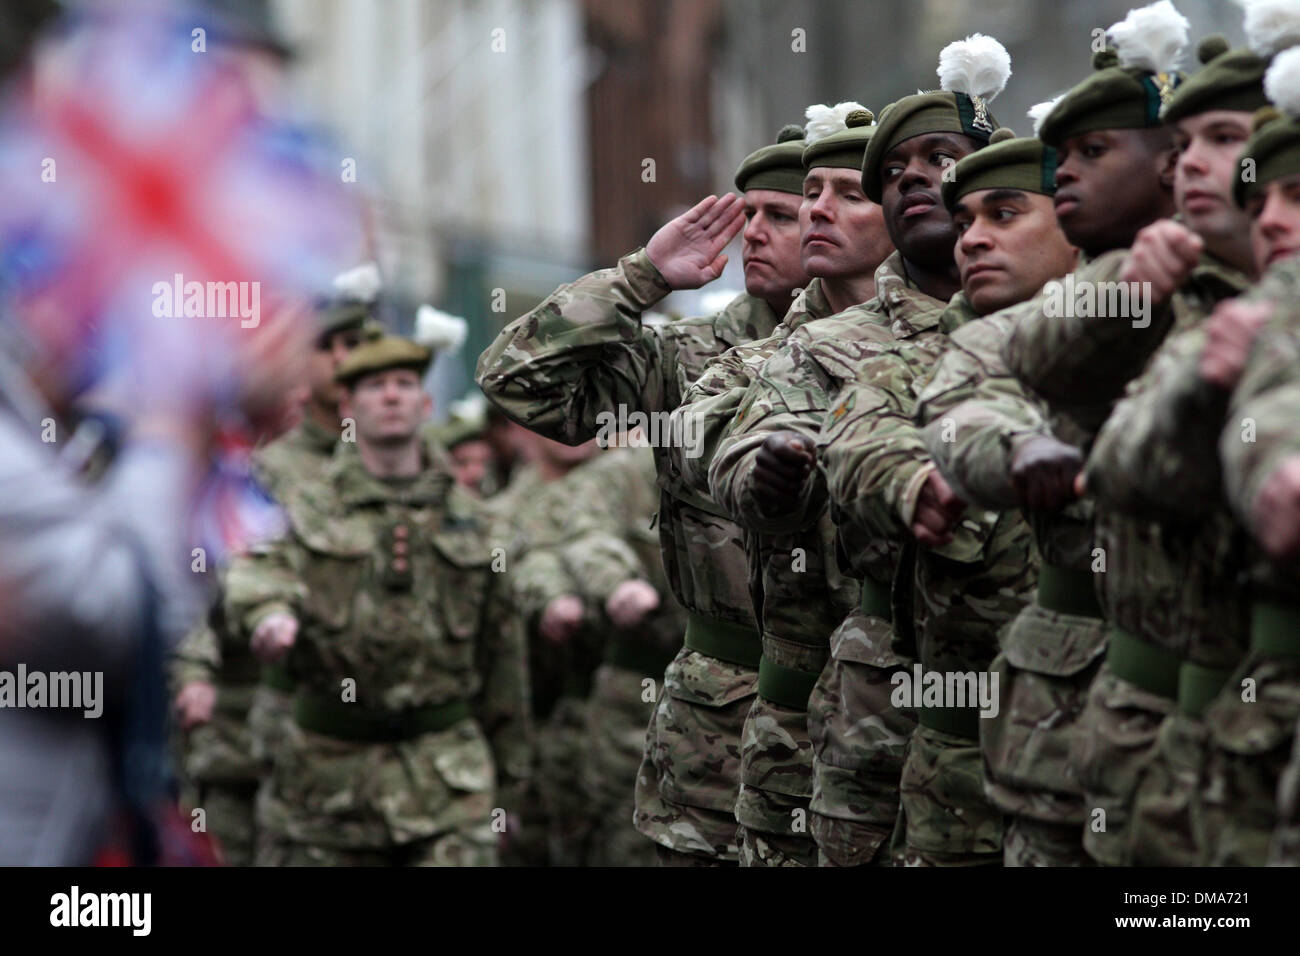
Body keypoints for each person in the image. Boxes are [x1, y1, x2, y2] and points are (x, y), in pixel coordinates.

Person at [477, 128, 809, 864]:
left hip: (855, 709)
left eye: (782, 215)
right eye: (750, 214)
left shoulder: (899, 346)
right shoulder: (690, 355)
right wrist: (640, 278)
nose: (754, 232)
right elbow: (515, 379)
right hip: (719, 720)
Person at [236, 334, 531, 865]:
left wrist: (508, 792)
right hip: (326, 791)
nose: (391, 395)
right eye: (374, 386)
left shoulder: (477, 521)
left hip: (448, 786)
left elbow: (504, 660)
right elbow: (258, 570)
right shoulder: (304, 507)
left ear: (426, 404)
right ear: (347, 408)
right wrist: (269, 615)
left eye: (404, 384)